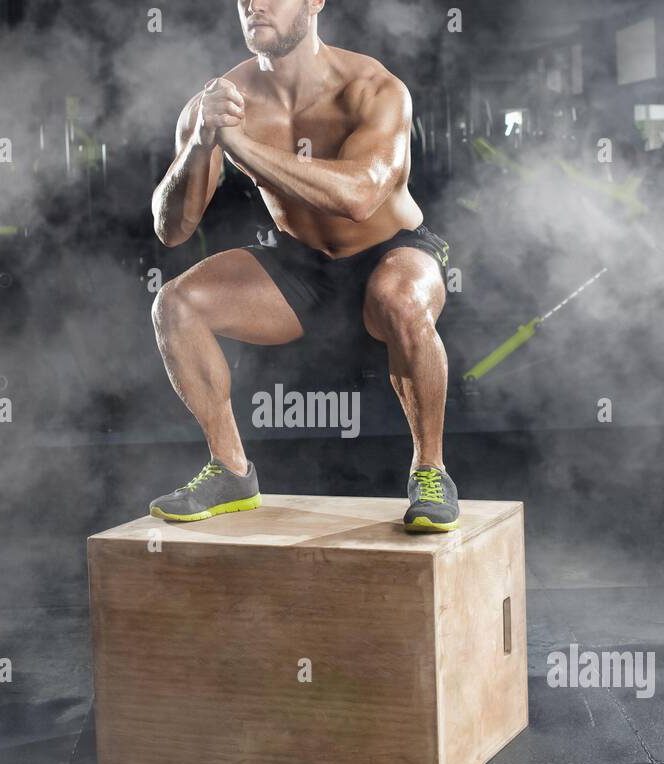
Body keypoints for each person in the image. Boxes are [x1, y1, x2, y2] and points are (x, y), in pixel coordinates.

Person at [148, 0, 458, 532]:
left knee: (400, 297)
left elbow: (360, 197)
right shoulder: (221, 101)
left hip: (393, 250)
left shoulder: (373, 88)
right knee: (175, 303)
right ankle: (230, 471)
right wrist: (201, 145)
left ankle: (431, 471)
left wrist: (238, 144)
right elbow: (171, 229)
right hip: (301, 264)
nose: (255, 5)